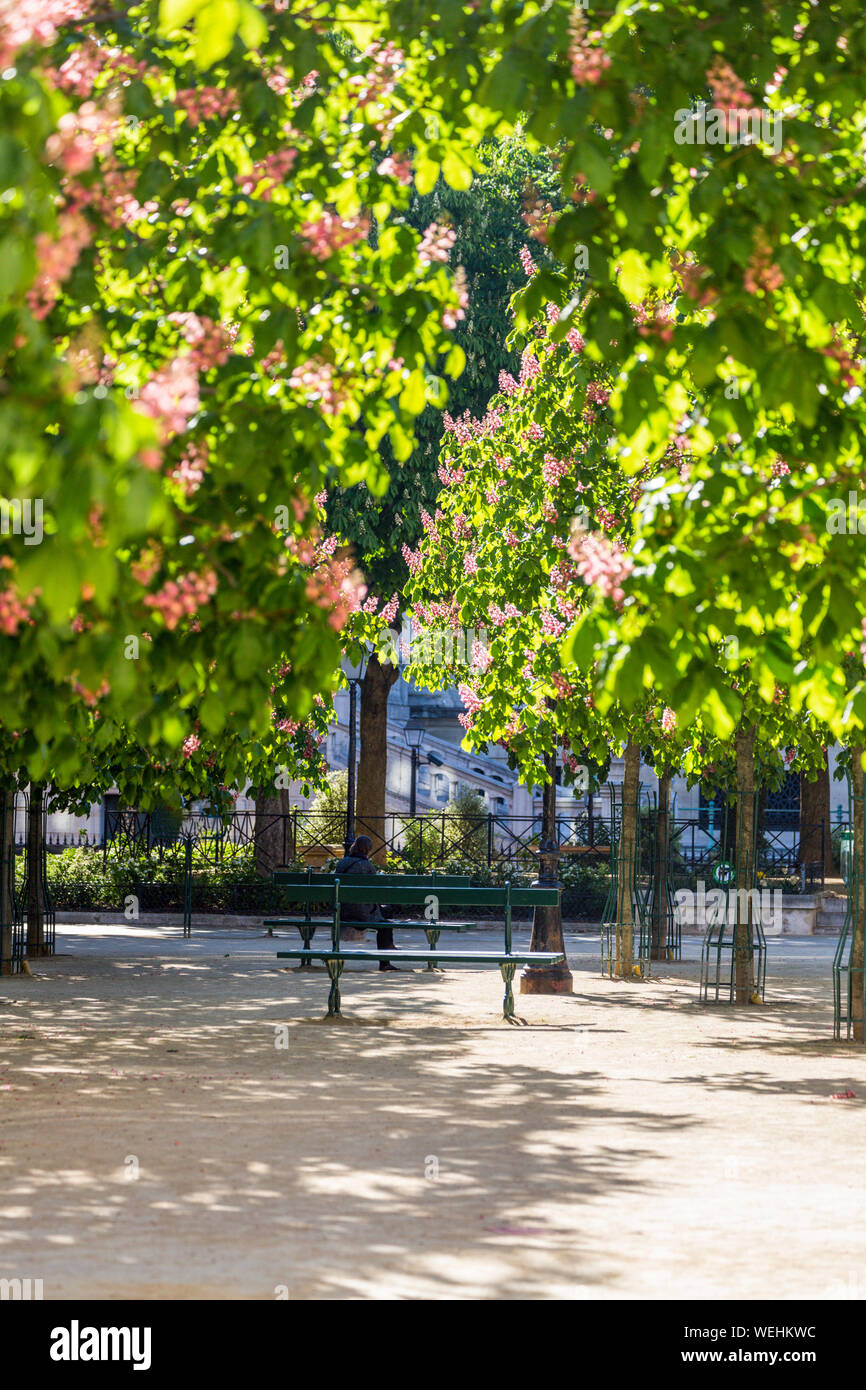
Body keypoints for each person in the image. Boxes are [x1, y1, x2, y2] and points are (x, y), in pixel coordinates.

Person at [333, 836, 400, 972]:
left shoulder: (342, 864)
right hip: (362, 915)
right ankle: (385, 961)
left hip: (342, 912)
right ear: (368, 850)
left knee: (385, 914)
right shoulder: (367, 866)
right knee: (386, 923)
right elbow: (375, 894)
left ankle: (389, 945)